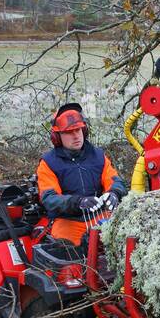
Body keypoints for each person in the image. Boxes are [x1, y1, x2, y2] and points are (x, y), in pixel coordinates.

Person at [35, 102, 128, 247]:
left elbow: (116, 181)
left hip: (100, 217)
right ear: (57, 137)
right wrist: (78, 202)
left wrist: (114, 193)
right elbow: (50, 199)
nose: (76, 136)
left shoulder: (98, 156)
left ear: (84, 131)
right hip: (68, 223)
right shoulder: (48, 163)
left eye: (78, 130)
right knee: (68, 258)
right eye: (69, 132)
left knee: (125, 244)